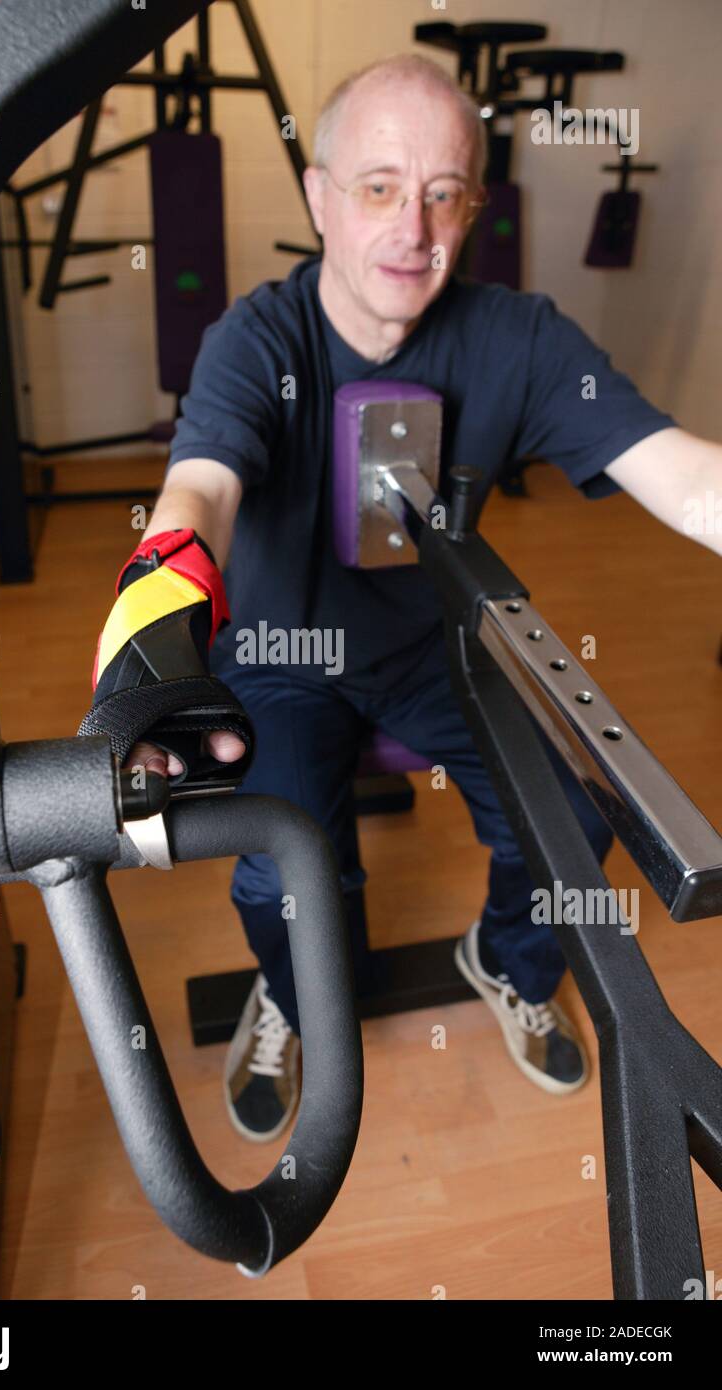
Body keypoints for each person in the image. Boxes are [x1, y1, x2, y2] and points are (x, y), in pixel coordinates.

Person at [89, 54, 722, 1143]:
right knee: (283, 863)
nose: (413, 229)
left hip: (432, 647)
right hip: (280, 656)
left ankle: (507, 958)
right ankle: (292, 1000)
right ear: (320, 197)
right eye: (379, 186)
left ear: (475, 205)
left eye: (444, 193)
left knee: (575, 819)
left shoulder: (518, 339)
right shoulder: (259, 339)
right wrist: (148, 646)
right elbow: (198, 490)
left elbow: (689, 478)